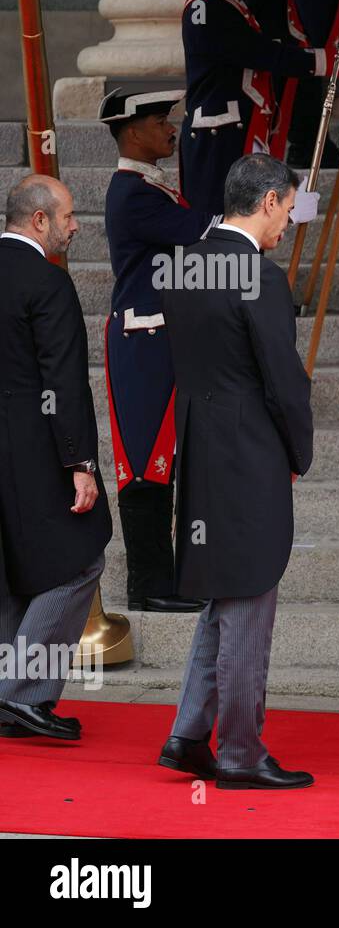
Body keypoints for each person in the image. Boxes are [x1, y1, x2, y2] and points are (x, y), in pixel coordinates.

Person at [157, 154, 315, 789]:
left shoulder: (181, 265)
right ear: (269, 200)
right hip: (249, 453)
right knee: (249, 600)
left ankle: (189, 733)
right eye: (288, 208)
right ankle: (241, 753)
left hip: (201, 449)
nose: (288, 224)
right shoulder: (260, 276)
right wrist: (297, 452)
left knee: (226, 595)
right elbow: (284, 382)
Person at [0, 176, 112, 742]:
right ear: (39, 221)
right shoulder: (48, 283)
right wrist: (80, 464)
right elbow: (64, 384)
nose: (75, 225)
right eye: (67, 216)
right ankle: (20, 692)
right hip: (36, 452)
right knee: (81, 554)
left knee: (11, 570)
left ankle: (10, 697)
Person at [99, 87, 218, 615]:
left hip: (162, 336)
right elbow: (198, 232)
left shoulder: (152, 186)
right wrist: (259, 211)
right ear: (131, 132)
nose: (172, 128)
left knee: (165, 459)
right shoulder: (132, 192)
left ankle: (168, 578)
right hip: (144, 340)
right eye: (160, 121)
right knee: (146, 464)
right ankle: (148, 585)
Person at [179, 0, 339, 217]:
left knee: (245, 236)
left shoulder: (227, 0)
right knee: (222, 232)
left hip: (241, 129)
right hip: (221, 137)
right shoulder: (208, 5)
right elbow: (271, 56)